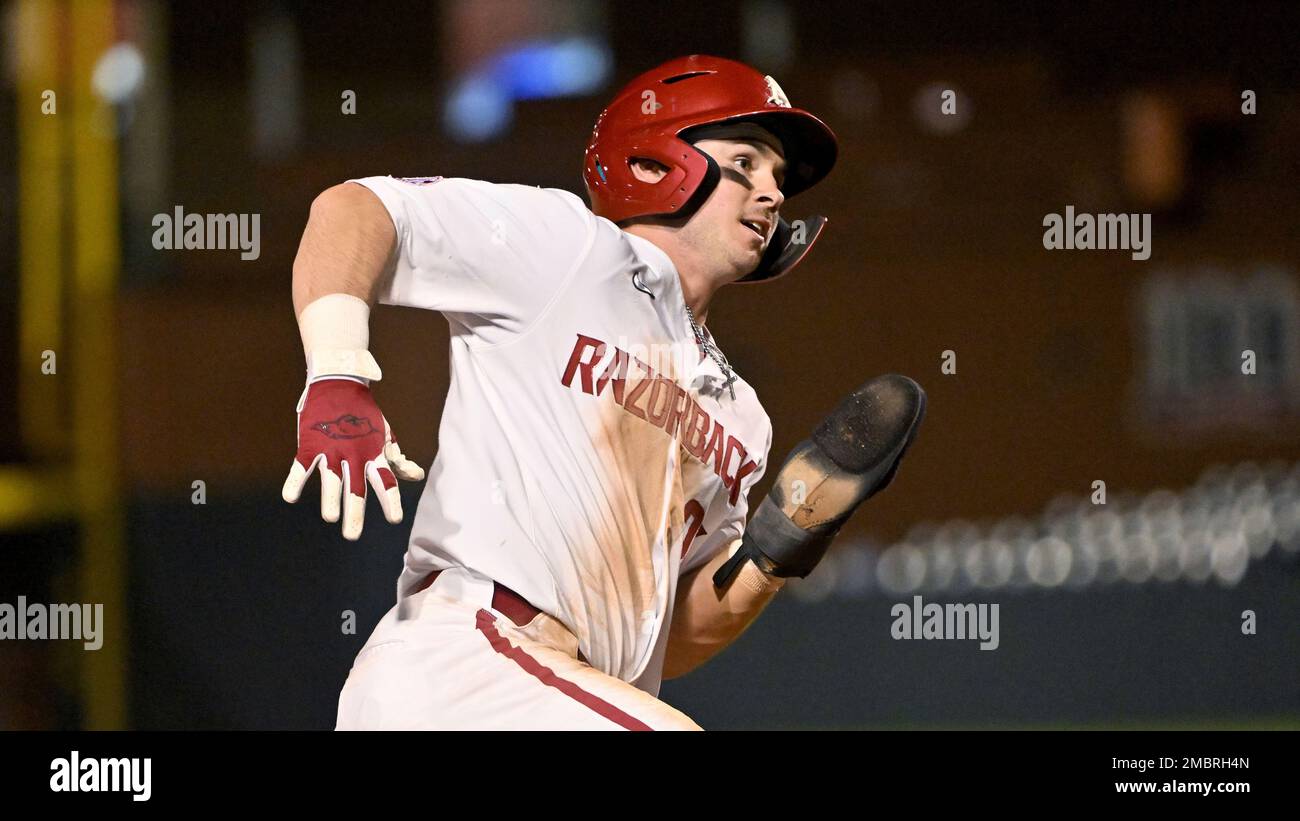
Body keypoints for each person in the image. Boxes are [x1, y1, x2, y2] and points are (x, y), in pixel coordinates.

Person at [283, 54, 923, 730]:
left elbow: (673, 638)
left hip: (563, 692)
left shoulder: (741, 414)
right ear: (653, 163)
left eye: (778, 178)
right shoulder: (569, 248)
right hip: (464, 665)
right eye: (745, 164)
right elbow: (357, 208)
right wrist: (338, 367)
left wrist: (776, 547)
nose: (771, 193)